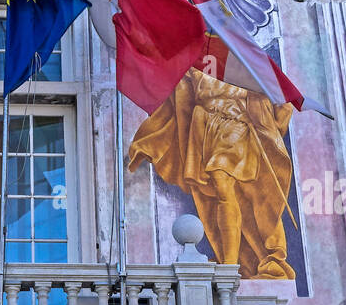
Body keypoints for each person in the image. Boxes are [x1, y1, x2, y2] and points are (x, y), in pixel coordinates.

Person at [128, 67, 298, 279]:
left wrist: (270, 120)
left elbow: (281, 102)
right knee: (223, 196)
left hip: (237, 127)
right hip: (206, 129)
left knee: (227, 186)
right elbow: (178, 103)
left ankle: (233, 264)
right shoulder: (196, 63)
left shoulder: (244, 59)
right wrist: (152, 138)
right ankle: (230, 261)